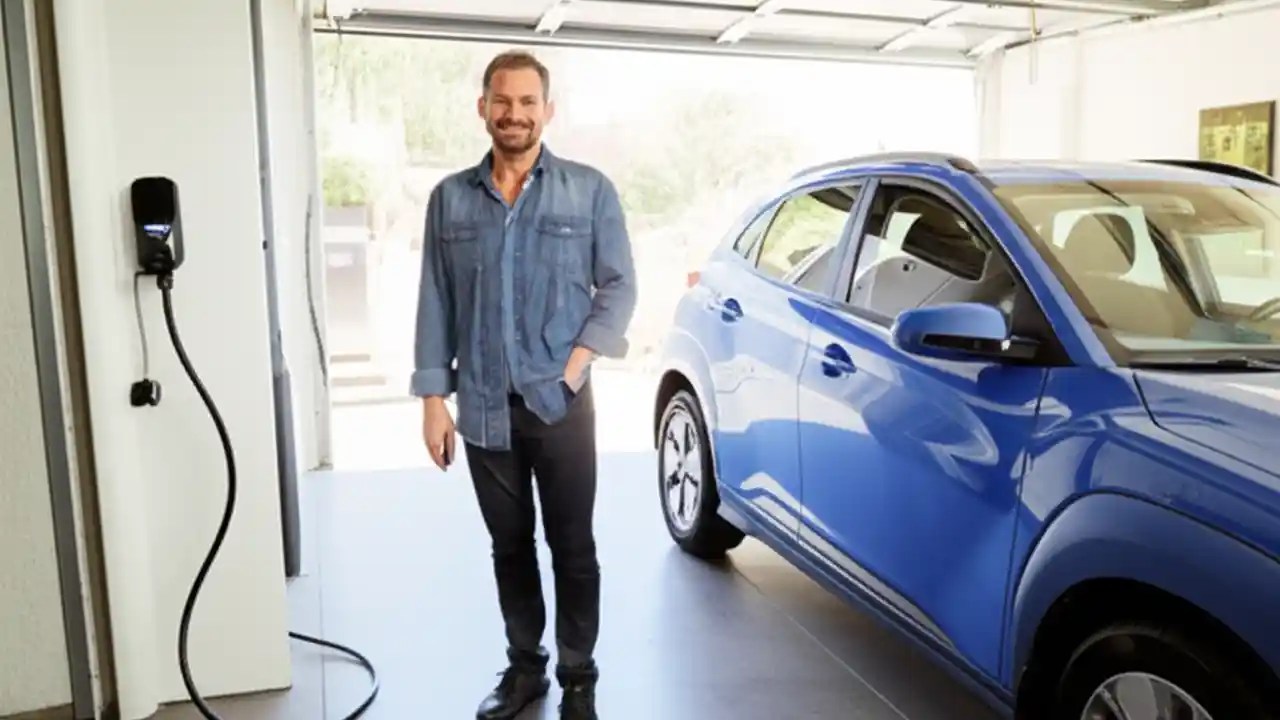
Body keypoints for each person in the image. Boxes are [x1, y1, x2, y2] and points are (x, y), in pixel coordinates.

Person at [410, 49, 637, 720]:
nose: (514, 114)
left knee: (573, 547)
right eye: (502, 101)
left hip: (560, 406)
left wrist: (574, 368)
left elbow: (618, 287)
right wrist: (433, 401)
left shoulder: (589, 189)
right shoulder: (450, 199)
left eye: (527, 102)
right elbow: (435, 302)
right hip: (481, 409)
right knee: (508, 546)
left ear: (548, 110)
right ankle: (525, 670)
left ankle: (579, 678)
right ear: (483, 107)